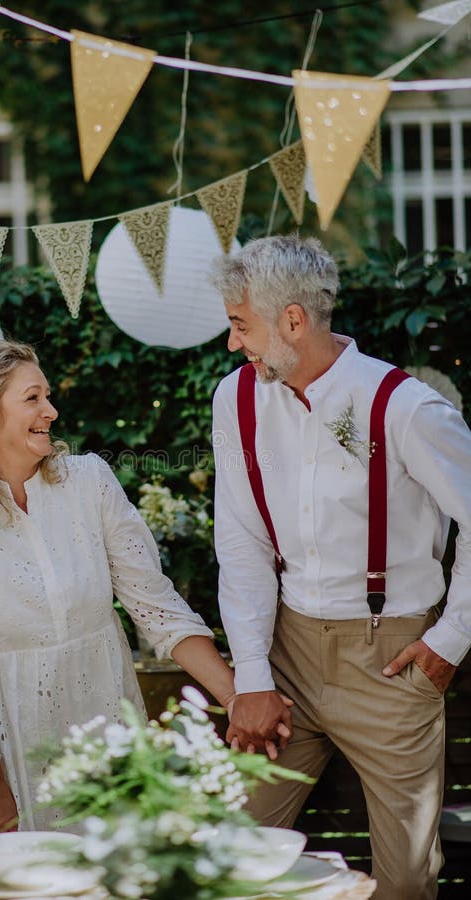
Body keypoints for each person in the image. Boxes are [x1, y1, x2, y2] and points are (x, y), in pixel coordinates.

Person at [210, 234, 471, 900]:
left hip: (389, 660)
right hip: (287, 651)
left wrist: (451, 638)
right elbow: (242, 540)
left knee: (407, 879)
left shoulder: (406, 407)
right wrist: (252, 675)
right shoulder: (235, 400)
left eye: (242, 325)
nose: (234, 342)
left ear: (292, 320)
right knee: (227, 860)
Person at [0, 338, 237, 865]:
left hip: (102, 716)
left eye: (47, 396)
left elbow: (155, 604)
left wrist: (236, 695)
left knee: (117, 875)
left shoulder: (90, 482)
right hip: (5, 742)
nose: (51, 411)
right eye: (33, 398)